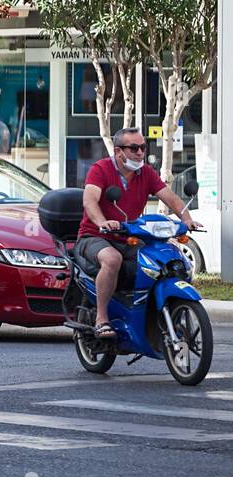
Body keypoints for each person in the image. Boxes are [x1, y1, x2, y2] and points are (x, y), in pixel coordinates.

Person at [77, 127, 199, 339]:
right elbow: (89, 200)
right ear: (118, 152)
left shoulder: (146, 173)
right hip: (95, 236)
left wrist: (186, 219)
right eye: (134, 148)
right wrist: (103, 222)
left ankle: (156, 312)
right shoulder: (101, 169)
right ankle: (102, 318)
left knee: (167, 258)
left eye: (143, 147)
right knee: (112, 259)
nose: (140, 153)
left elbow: (171, 199)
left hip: (130, 237)